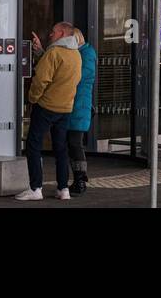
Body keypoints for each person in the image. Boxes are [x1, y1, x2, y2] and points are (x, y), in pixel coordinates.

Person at [16, 21, 82, 201]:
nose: (50, 35)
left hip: (46, 106)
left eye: (53, 32)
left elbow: (41, 80)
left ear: (61, 33)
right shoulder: (75, 54)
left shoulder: (54, 53)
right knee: (61, 148)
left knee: (33, 145)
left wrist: (32, 98)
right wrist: (41, 52)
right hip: (65, 108)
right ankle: (63, 189)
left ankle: (35, 188)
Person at [67, 28, 97, 196]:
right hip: (75, 106)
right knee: (71, 144)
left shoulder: (86, 54)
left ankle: (80, 179)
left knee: (74, 143)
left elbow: (78, 76)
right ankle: (78, 178)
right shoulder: (81, 53)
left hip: (79, 107)